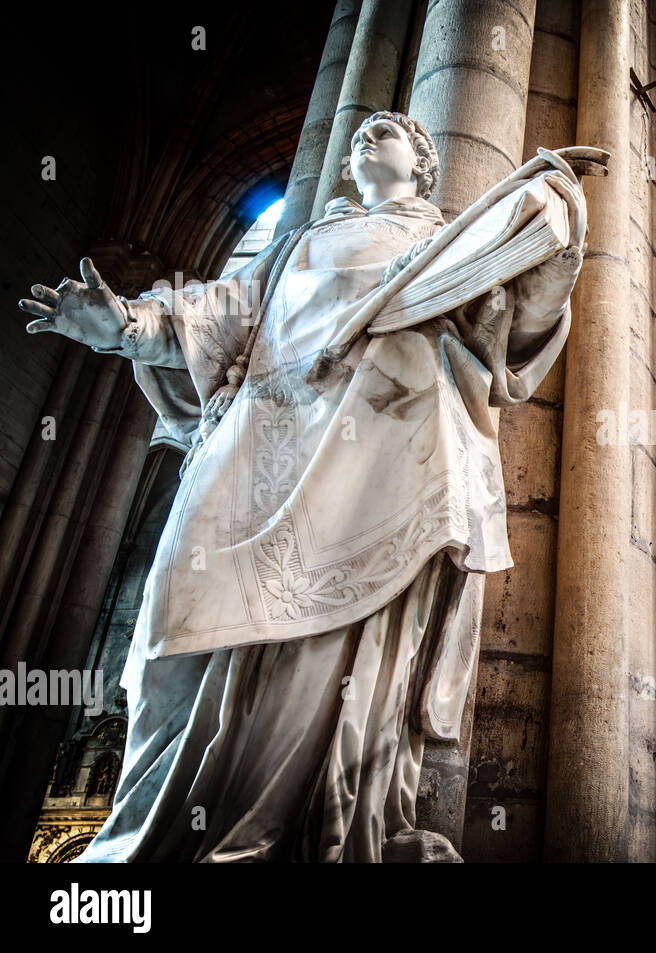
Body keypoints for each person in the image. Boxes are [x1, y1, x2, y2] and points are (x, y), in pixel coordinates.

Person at [18, 110, 592, 862]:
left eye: (384, 130)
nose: (364, 136)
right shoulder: (297, 243)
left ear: (421, 164)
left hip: (381, 459)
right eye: (358, 133)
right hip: (261, 440)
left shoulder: (443, 243)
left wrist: (561, 234)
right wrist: (123, 325)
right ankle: (147, 836)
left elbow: (514, 325)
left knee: (321, 648)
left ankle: (274, 835)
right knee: (174, 631)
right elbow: (209, 311)